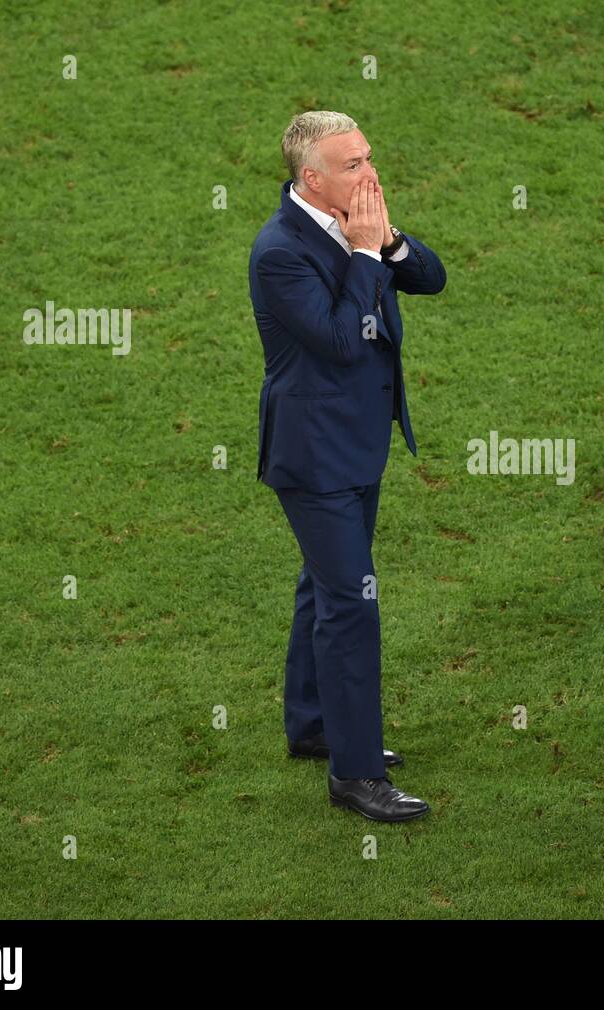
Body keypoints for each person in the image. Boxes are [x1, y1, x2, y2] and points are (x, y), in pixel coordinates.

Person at [249, 111, 446, 821]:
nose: (371, 173)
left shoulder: (356, 221)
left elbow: (432, 278)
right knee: (351, 606)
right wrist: (365, 255)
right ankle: (355, 775)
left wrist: (387, 243)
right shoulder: (279, 252)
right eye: (354, 164)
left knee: (323, 585)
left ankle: (312, 724)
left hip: (360, 443)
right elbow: (338, 340)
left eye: (368, 156)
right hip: (315, 456)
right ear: (312, 177)